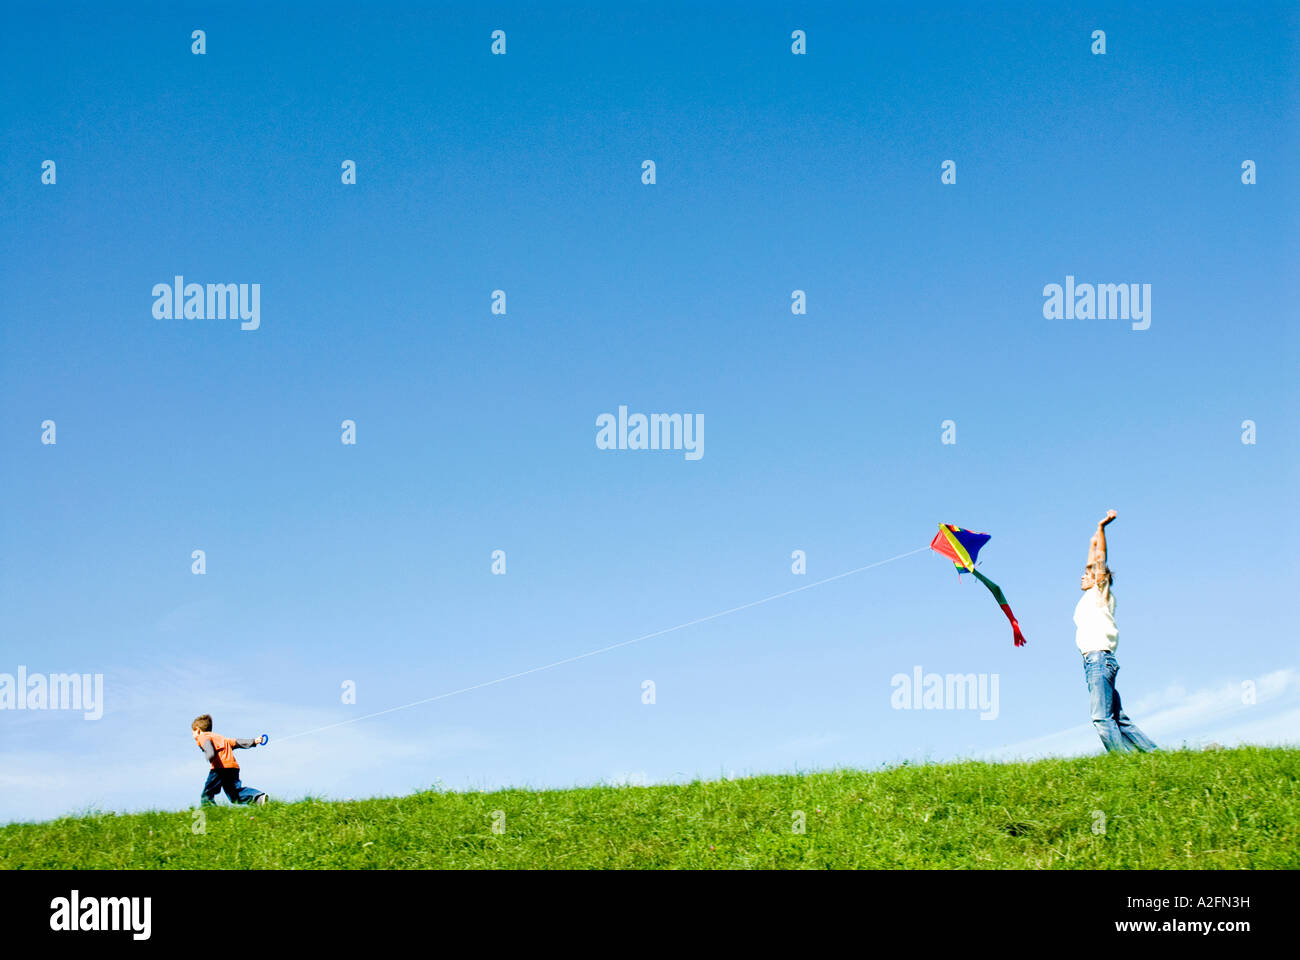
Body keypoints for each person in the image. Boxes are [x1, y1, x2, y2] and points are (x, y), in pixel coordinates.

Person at [1074, 510, 1157, 754]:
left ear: (1099, 579)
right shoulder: (1092, 596)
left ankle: (1123, 762)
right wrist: (1094, 537)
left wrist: (1102, 527)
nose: (1082, 575)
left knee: (1101, 718)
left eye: (1088, 574)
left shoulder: (1100, 593)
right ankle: (1155, 756)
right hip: (1096, 661)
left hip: (1098, 658)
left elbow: (1099, 557)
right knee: (1118, 718)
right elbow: (1093, 549)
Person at [192, 714, 269, 805]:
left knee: (207, 793)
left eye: (192, 733)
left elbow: (208, 746)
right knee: (234, 795)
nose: (193, 735)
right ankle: (258, 798)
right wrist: (254, 741)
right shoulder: (221, 738)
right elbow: (237, 742)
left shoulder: (203, 736)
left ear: (197, 730)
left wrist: (209, 754)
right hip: (233, 768)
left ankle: (209, 812)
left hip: (219, 768)